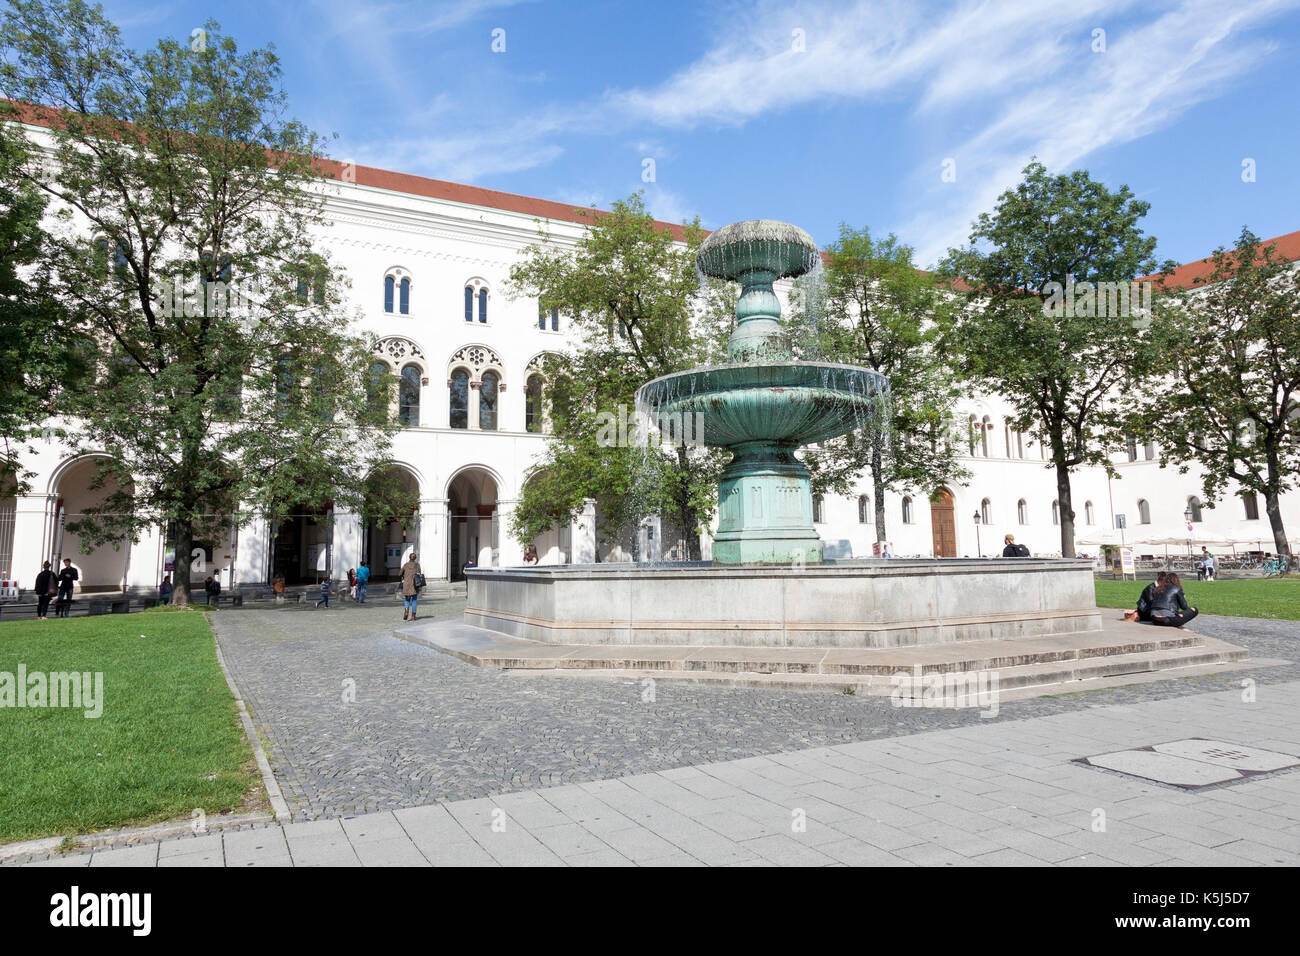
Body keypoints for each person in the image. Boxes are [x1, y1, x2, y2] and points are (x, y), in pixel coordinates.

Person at [401, 552, 423, 621]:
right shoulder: (417, 565)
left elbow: (399, 573)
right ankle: (413, 616)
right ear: (415, 558)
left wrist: (404, 575)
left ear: (409, 558)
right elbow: (419, 573)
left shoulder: (405, 565)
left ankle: (406, 611)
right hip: (414, 585)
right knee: (414, 600)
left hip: (406, 584)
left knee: (407, 599)